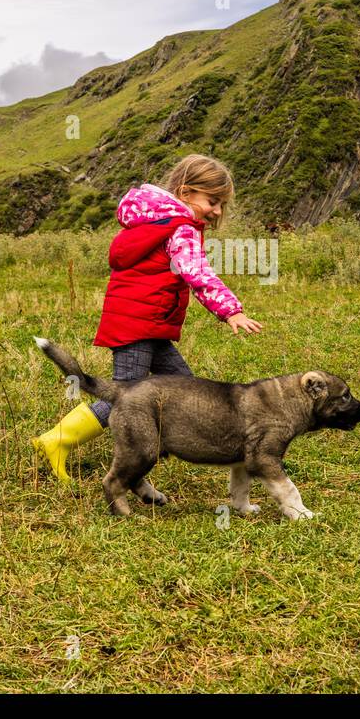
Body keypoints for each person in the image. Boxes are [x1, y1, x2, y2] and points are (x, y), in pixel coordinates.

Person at [33, 154, 263, 481]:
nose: (217, 211)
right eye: (212, 201)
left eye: (221, 204)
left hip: (148, 325)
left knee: (185, 390)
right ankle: (56, 441)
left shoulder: (155, 219)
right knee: (125, 398)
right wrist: (230, 310)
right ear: (186, 192)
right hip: (139, 325)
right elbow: (196, 271)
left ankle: (149, 457)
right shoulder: (180, 226)